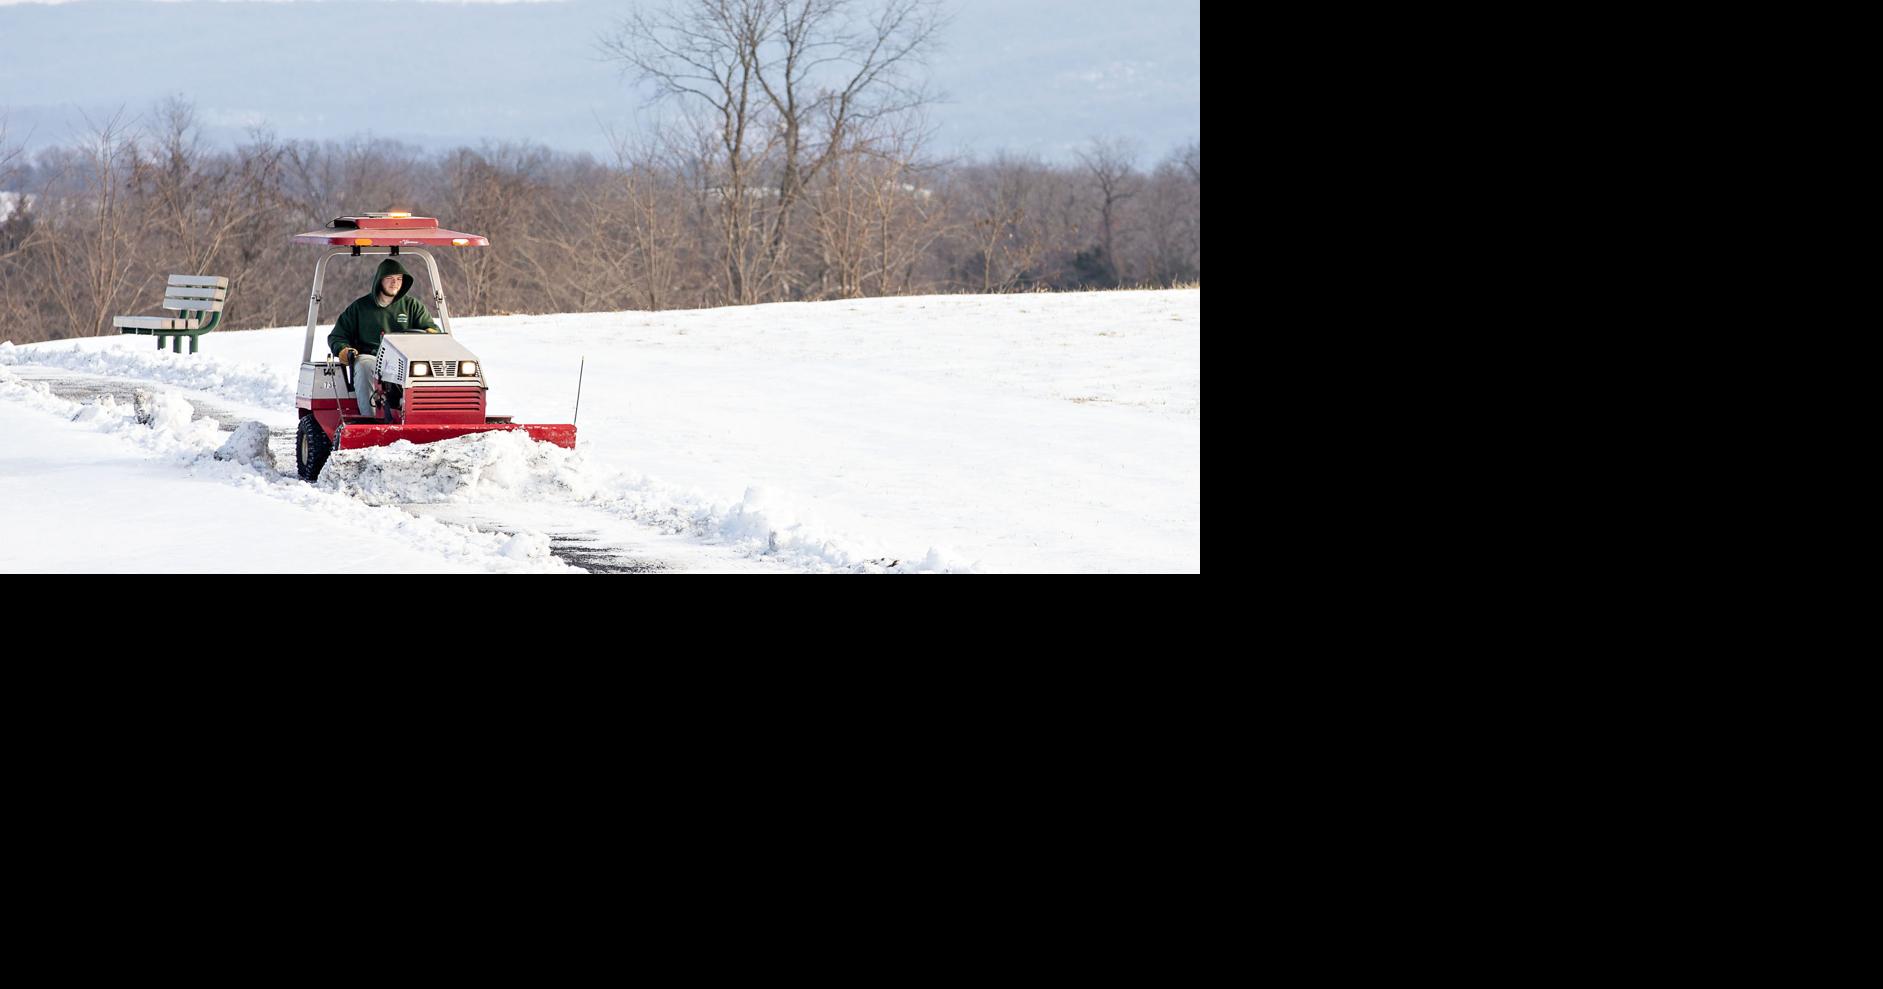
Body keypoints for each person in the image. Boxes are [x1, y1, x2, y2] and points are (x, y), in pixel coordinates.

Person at [328, 257, 441, 418]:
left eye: (399, 279)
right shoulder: (360, 308)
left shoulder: (412, 306)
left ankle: (424, 416)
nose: (395, 283)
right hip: (372, 358)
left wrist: (431, 333)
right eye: (390, 278)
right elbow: (337, 336)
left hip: (406, 360)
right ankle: (371, 419)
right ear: (380, 280)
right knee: (364, 365)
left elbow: (431, 329)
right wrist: (343, 350)